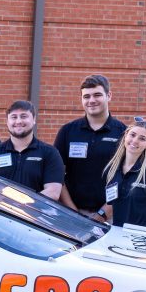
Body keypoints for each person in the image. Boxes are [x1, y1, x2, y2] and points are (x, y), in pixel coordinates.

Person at [54, 74, 127, 220]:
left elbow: (126, 179)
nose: (91, 100)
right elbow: (56, 174)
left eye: (97, 95)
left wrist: (102, 214)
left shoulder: (123, 133)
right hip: (70, 214)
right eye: (86, 96)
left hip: (110, 215)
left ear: (109, 96)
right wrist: (72, 212)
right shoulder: (67, 131)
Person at [0, 100, 64, 199]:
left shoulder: (50, 153)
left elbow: (53, 192)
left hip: (34, 209)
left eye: (24, 116)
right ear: (7, 122)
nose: (18, 121)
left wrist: (24, 203)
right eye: (14, 117)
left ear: (34, 119)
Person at [102, 117, 146, 229]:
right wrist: (98, 216)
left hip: (143, 237)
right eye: (132, 135)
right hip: (118, 233)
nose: (135, 141)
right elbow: (112, 202)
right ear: (126, 135)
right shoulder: (113, 168)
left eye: (142, 139)